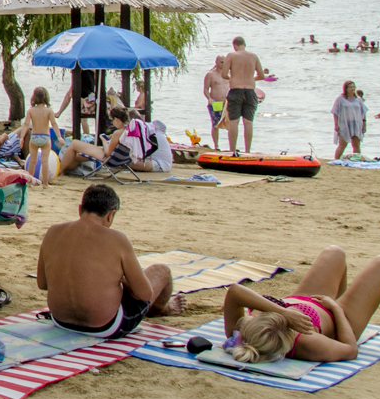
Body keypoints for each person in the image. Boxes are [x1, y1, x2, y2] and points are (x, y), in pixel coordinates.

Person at [37, 183, 182, 336]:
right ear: (110, 215)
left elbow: (42, 284)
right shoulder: (117, 239)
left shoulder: (53, 231)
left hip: (61, 320)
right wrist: (121, 278)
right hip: (105, 326)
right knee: (161, 271)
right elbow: (144, 294)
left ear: (80, 209)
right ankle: (161, 309)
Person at [221, 246, 380, 363]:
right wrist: (336, 308)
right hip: (340, 318)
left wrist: (284, 312)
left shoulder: (242, 331)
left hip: (306, 298)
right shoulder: (307, 344)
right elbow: (350, 350)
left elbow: (235, 291)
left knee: (334, 252)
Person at [221, 36, 265, 154]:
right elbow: (261, 75)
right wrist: (251, 79)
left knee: (234, 122)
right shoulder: (253, 56)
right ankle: (248, 150)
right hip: (250, 91)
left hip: (236, 90)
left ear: (235, 45)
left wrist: (233, 78)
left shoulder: (231, 55)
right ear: (244, 44)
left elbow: (224, 74)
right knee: (248, 122)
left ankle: (232, 149)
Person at [22, 86, 63, 185]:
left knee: (32, 161)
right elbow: (54, 124)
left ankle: (29, 183)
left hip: (34, 137)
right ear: (46, 97)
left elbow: (26, 124)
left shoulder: (31, 111)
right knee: (44, 162)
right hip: (45, 137)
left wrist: (21, 138)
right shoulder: (49, 111)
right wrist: (59, 137)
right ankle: (45, 184)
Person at [333, 80, 367, 159]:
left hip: (356, 124)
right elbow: (335, 112)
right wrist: (336, 124)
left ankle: (356, 160)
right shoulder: (340, 99)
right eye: (350, 87)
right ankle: (336, 160)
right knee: (342, 145)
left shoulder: (358, 99)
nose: (352, 89)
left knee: (356, 145)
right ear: (346, 89)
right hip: (344, 124)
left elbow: (363, 112)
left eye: (353, 87)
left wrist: (364, 124)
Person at [204, 54, 231, 149]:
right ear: (216, 62)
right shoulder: (211, 74)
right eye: (221, 62)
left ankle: (231, 146)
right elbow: (206, 89)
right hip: (215, 102)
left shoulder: (229, 74)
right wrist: (209, 98)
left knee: (230, 124)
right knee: (215, 125)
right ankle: (216, 146)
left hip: (227, 103)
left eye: (225, 62)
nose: (223, 64)